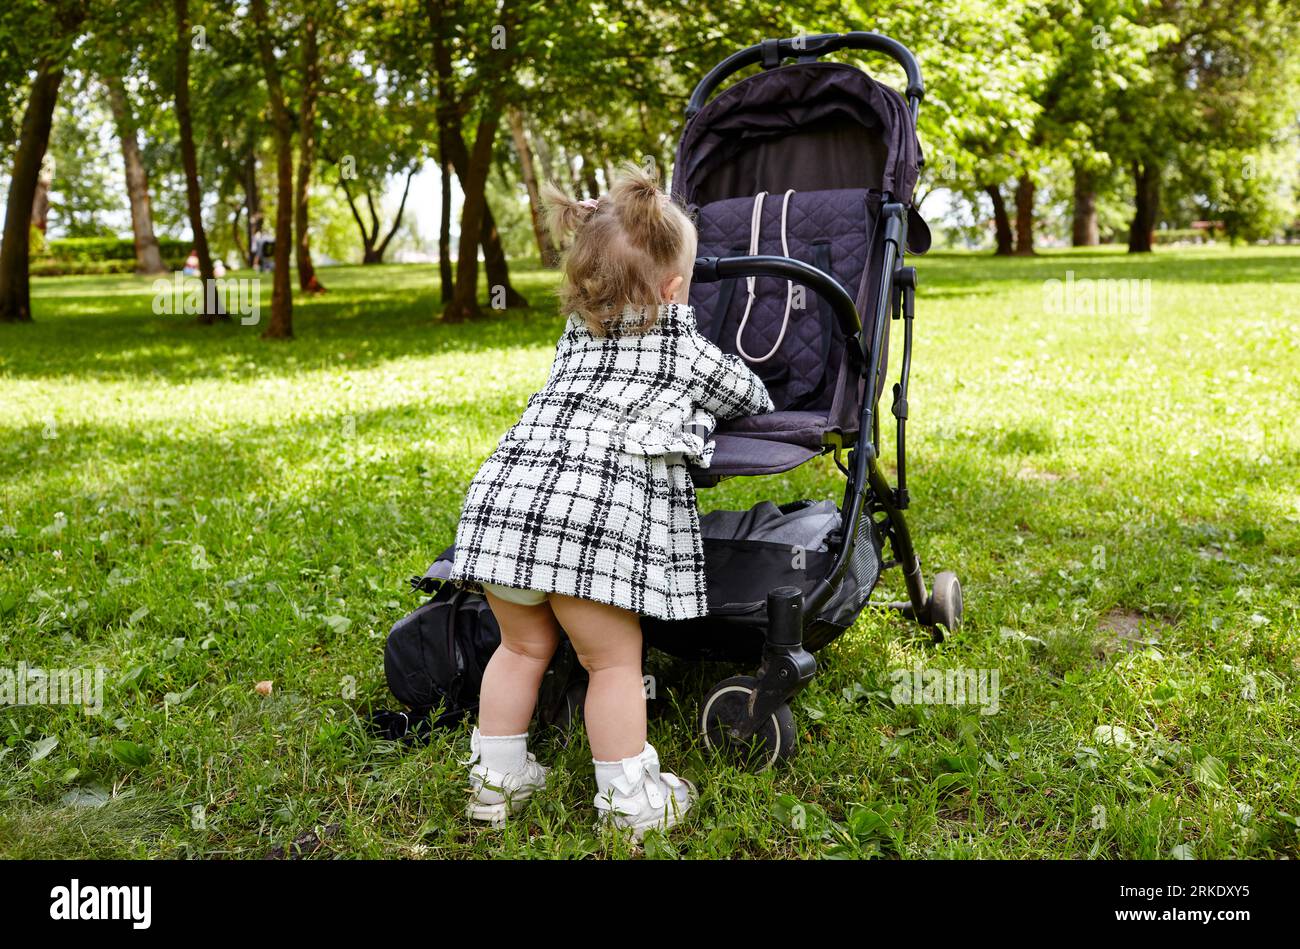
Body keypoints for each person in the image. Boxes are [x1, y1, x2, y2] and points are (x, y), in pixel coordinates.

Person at [449, 163, 774, 837]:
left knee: (519, 649)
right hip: (589, 528)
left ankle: (494, 781)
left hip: (505, 512)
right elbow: (751, 396)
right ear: (676, 287)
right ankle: (630, 800)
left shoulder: (574, 338)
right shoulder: (683, 344)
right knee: (613, 663)